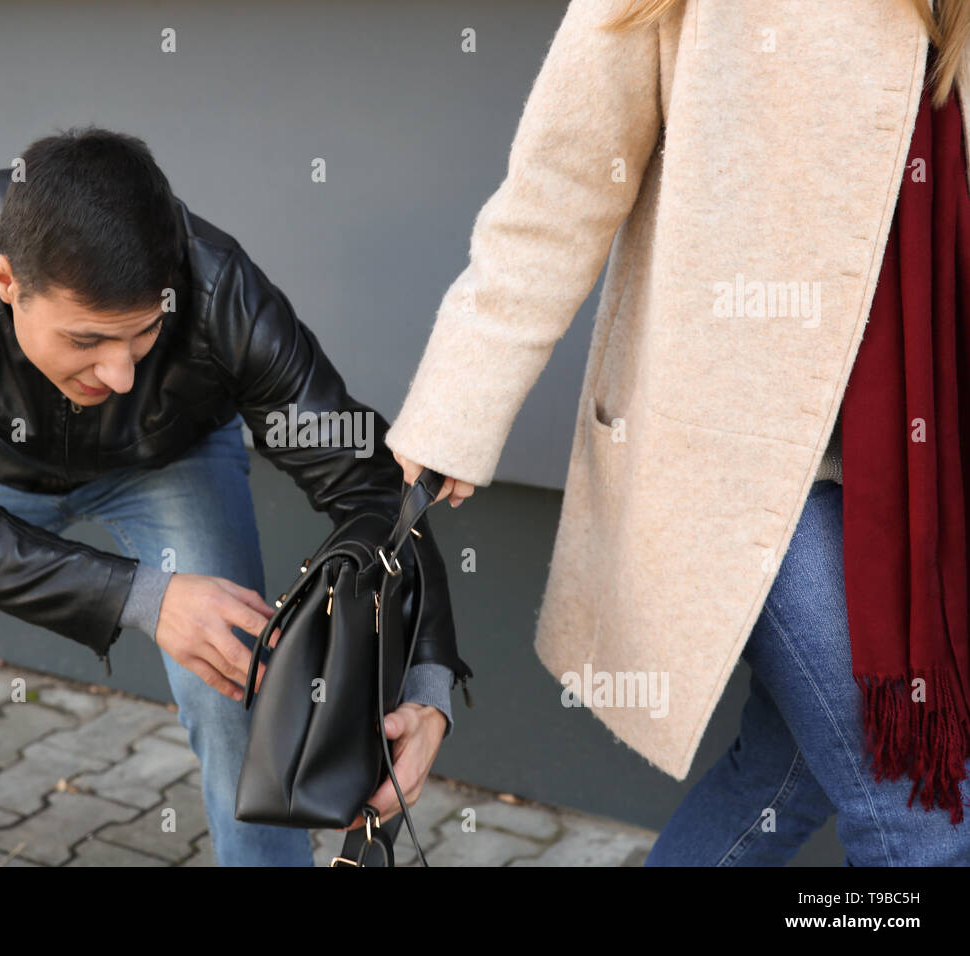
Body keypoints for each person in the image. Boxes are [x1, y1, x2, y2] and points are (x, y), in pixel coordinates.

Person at [0, 127, 472, 867]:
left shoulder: (221, 291)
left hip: (168, 462)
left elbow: (371, 485)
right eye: (86, 340)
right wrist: (147, 598)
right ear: (5, 281)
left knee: (233, 691)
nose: (118, 374)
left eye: (142, 336)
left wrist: (429, 681)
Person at [387, 0, 970, 864]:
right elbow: (564, 183)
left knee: (782, 777)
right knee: (927, 819)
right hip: (743, 466)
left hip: (917, 466)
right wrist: (458, 401)